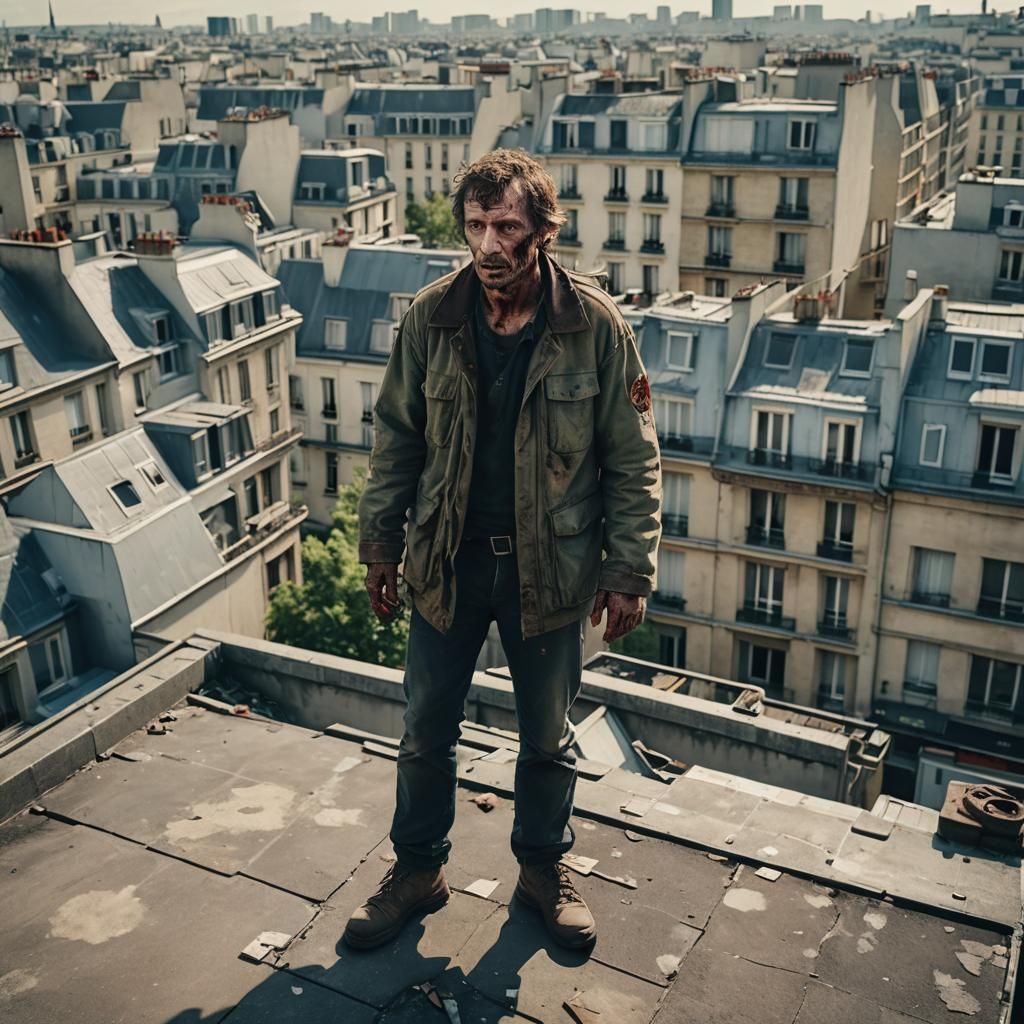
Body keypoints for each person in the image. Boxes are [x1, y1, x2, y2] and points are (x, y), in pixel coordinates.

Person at [345, 149, 661, 951]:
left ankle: (543, 873)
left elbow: (633, 458)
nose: (489, 243)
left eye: (507, 227)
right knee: (424, 730)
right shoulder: (431, 318)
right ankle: (417, 870)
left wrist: (628, 569)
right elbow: (397, 442)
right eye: (477, 225)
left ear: (543, 231)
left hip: (547, 569)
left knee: (548, 738)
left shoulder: (594, 328)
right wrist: (381, 543)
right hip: (445, 562)